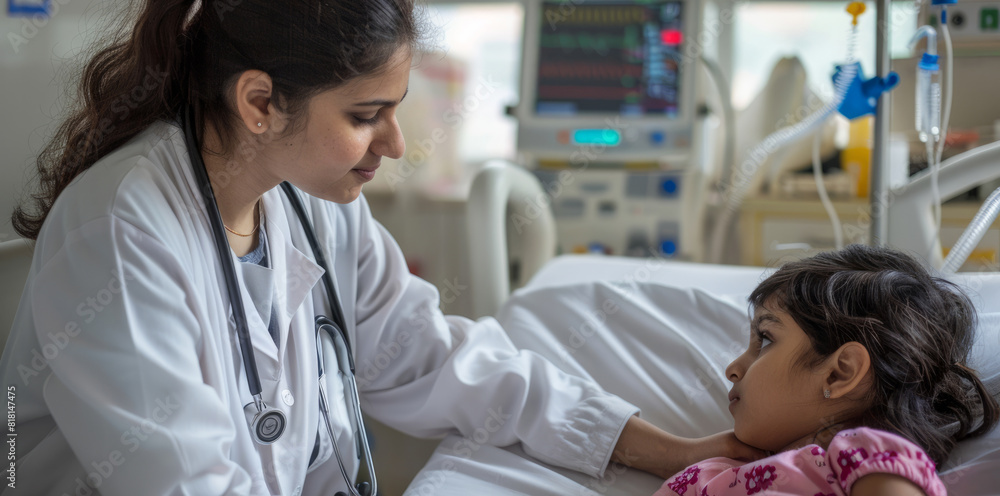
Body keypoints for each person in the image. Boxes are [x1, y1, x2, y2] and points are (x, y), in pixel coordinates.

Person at [1, 1, 760, 495]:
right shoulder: (121, 229)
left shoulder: (307, 200)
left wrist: (661, 447)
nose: (394, 144)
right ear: (260, 103)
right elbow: (178, 482)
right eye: (367, 115)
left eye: (395, 112)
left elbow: (434, 359)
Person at [654, 244, 999, 496]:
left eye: (766, 340)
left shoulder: (868, 456)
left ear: (840, 373)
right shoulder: (717, 469)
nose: (733, 369)